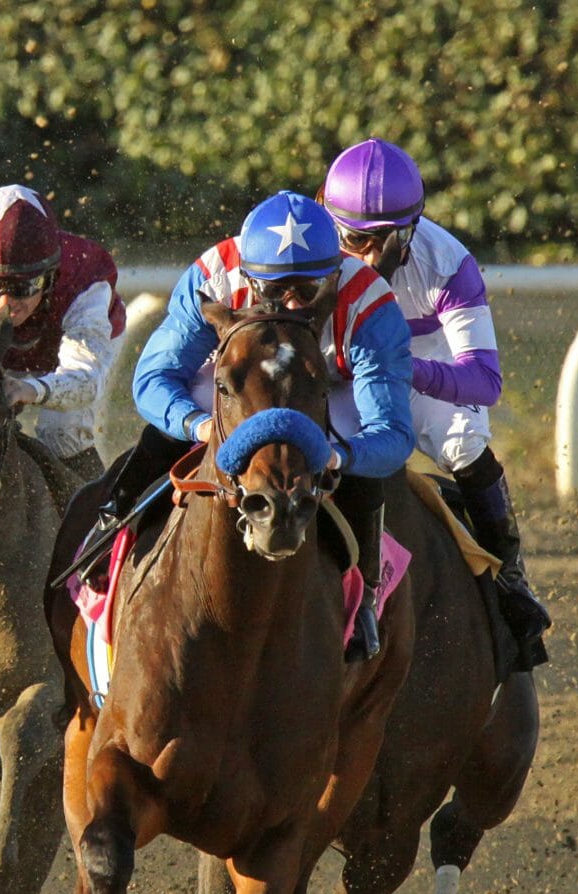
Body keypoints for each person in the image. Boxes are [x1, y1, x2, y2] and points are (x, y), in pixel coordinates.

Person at [120, 191, 415, 661]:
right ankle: (111, 533)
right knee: (176, 421)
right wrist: (199, 428)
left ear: (335, 275)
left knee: (360, 453)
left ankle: (366, 587)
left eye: (309, 290)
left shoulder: (369, 304)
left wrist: (340, 456)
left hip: (326, 383)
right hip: (246, 376)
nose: (293, 304)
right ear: (249, 277)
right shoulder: (215, 275)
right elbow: (154, 380)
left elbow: (394, 432)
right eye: (277, 292)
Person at [323, 138, 548, 667]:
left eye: (390, 240)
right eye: (357, 239)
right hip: (337, 351)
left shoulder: (447, 263)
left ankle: (511, 577)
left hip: (418, 356)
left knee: (464, 444)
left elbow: (484, 380)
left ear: (414, 226)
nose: (374, 259)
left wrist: (402, 368)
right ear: (333, 225)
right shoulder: (308, 243)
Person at [0, 184, 126, 478]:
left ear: (51, 277)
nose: (5, 305)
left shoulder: (84, 278)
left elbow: (84, 380)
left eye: (22, 288)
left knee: (62, 432)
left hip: (69, 353)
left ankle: (94, 521)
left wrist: (30, 389)